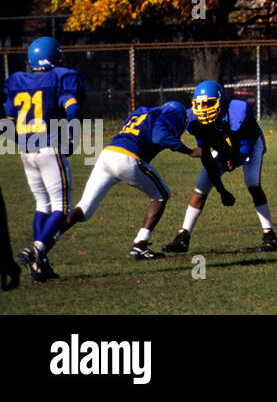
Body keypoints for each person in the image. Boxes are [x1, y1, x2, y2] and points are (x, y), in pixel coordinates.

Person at [48, 102, 200, 265]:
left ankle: (44, 241)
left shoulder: (143, 111)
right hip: (127, 158)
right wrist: (189, 151)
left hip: (107, 154)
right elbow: (159, 135)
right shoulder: (174, 113)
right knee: (161, 195)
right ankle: (140, 244)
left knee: (83, 208)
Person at [162, 80, 275, 254]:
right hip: (222, 147)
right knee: (201, 187)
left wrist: (236, 160)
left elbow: (247, 145)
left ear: (220, 101)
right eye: (200, 104)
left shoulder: (237, 112)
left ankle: (269, 234)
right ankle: (183, 236)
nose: (204, 108)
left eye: (208, 103)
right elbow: (206, 157)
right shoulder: (195, 122)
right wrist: (222, 191)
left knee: (252, 182)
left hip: (250, 143)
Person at [4, 37, 84, 280]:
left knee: (42, 204)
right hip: (48, 147)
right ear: (56, 57)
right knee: (62, 207)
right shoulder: (61, 77)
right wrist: (72, 130)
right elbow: (72, 106)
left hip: (25, 150)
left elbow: (7, 120)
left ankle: (40, 264)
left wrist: (19, 140)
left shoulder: (16, 81)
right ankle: (37, 249)